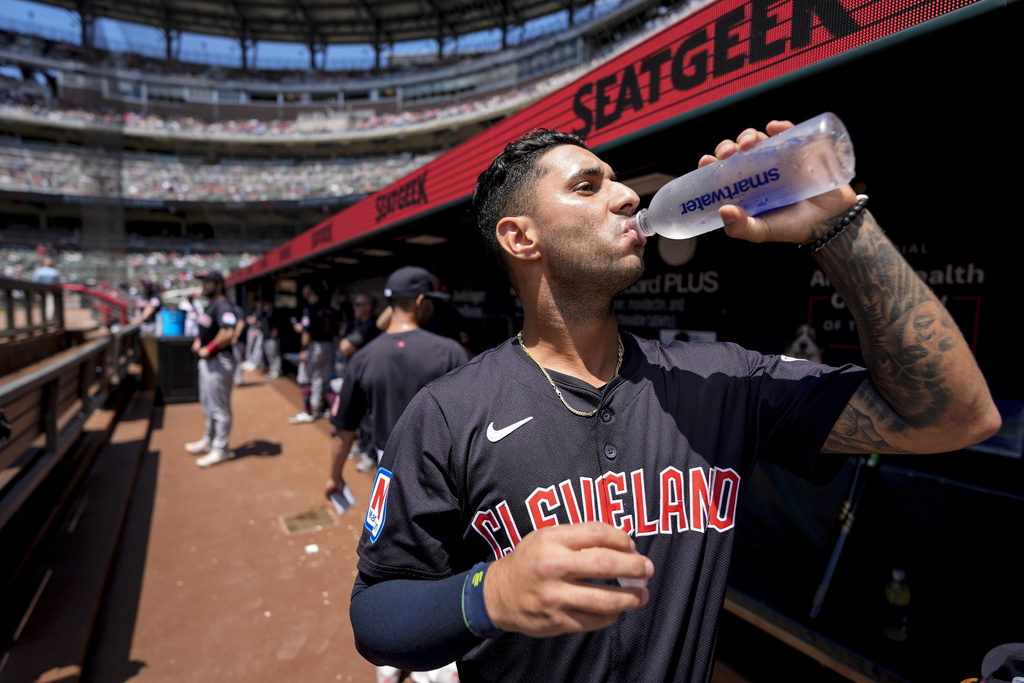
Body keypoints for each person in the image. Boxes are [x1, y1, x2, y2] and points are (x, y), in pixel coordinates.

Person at [347, 125, 1001, 681]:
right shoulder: (446, 411)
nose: (629, 194)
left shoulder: (722, 378)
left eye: (617, 180)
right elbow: (376, 613)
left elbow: (954, 416)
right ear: (522, 238)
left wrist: (841, 228)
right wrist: (489, 595)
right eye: (587, 185)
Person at [327, 266, 467, 683]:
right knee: (443, 562)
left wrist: (334, 475)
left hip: (388, 476)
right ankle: (437, 663)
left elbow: (343, 431)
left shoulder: (363, 355)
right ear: (422, 303)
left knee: (389, 561)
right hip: (445, 476)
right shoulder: (449, 351)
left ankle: (390, 663)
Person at [185, 271, 239, 468]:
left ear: (218, 284)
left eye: (207, 282)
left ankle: (221, 448)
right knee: (208, 405)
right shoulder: (212, 305)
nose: (204, 285)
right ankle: (209, 441)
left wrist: (208, 348)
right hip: (209, 362)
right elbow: (211, 330)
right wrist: (200, 340)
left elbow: (228, 332)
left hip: (220, 361)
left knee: (219, 409)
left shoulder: (223, 304)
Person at [338, 292, 381, 468]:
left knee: (370, 419)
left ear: (369, 307)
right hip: (360, 377)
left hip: (371, 377)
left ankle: (370, 454)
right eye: (355, 304)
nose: (355, 308)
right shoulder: (359, 323)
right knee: (361, 417)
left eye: (359, 304)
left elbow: (345, 347)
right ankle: (363, 446)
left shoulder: (372, 324)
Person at [289, 283, 341, 423]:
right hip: (329, 345)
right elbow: (339, 328)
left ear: (312, 292)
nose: (304, 291)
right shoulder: (330, 308)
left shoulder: (311, 308)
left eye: (306, 289)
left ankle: (309, 411)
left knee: (305, 378)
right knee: (322, 378)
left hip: (315, 346)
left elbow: (307, 331)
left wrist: (304, 350)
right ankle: (322, 409)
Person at [259, 299, 283, 380]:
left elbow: (278, 324)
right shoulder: (264, 313)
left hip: (273, 338)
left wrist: (275, 330)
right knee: (269, 355)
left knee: (275, 355)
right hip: (266, 337)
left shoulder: (275, 313)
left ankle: (277, 370)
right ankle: (273, 370)